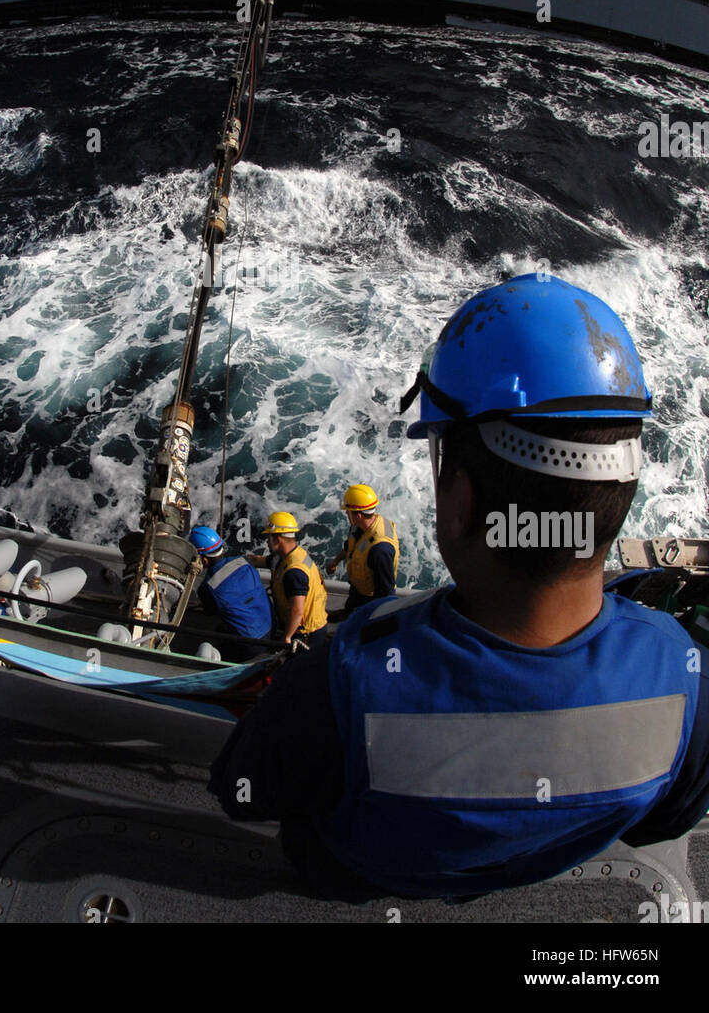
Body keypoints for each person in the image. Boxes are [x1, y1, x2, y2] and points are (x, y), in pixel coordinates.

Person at [209, 275, 709, 900]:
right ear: (621, 489)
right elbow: (667, 814)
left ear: (464, 500)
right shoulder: (688, 682)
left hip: (358, 877)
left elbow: (239, 790)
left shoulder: (340, 681)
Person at [190, 525, 272, 659]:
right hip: (271, 630)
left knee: (209, 644)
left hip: (251, 646)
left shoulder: (207, 587)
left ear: (204, 560)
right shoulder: (243, 562)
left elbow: (210, 612)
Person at [249, 512, 328, 647]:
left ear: (278, 540)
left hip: (305, 634)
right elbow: (260, 561)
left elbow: (297, 610)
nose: (267, 542)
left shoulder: (294, 572)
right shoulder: (288, 555)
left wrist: (287, 637)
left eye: (269, 537)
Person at [325, 484, 399, 616]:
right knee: (350, 611)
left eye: (347, 511)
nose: (346, 513)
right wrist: (336, 561)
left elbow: (385, 592)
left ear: (358, 515)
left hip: (370, 599)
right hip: (358, 590)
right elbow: (351, 546)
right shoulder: (359, 525)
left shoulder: (380, 550)